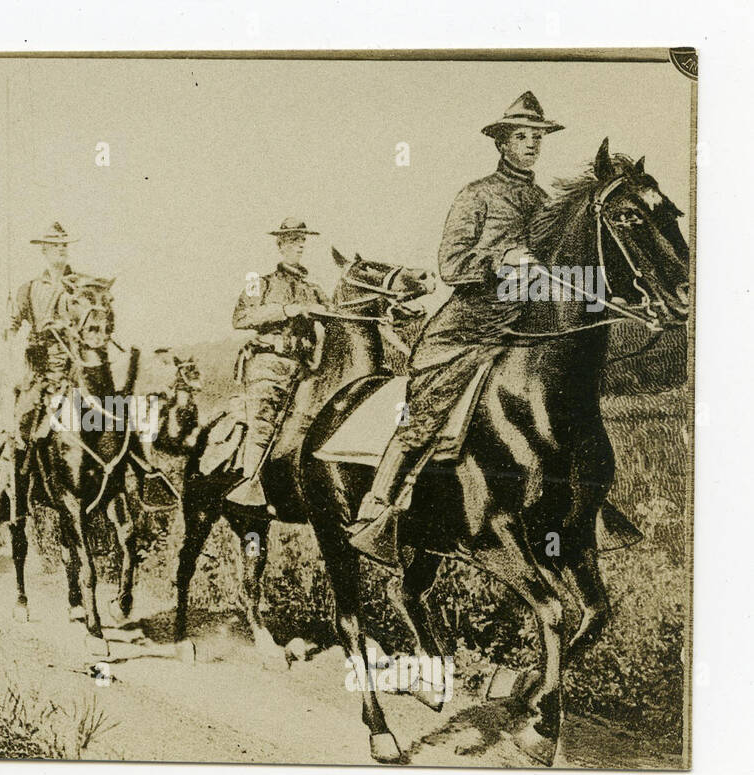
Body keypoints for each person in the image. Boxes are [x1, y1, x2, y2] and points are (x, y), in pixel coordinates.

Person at [348, 91, 562, 557]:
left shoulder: (544, 201)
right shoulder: (476, 194)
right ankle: (377, 510)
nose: (532, 145)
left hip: (523, 326)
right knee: (422, 420)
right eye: (522, 137)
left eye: (537, 138)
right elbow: (451, 266)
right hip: (464, 331)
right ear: (502, 144)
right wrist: (501, 260)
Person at [225, 218, 330, 508]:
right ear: (280, 245)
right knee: (263, 421)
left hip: (306, 369)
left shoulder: (316, 289)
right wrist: (285, 310)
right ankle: (251, 487)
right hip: (268, 365)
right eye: (293, 239)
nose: (299, 244)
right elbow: (241, 318)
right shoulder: (260, 283)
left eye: (302, 240)